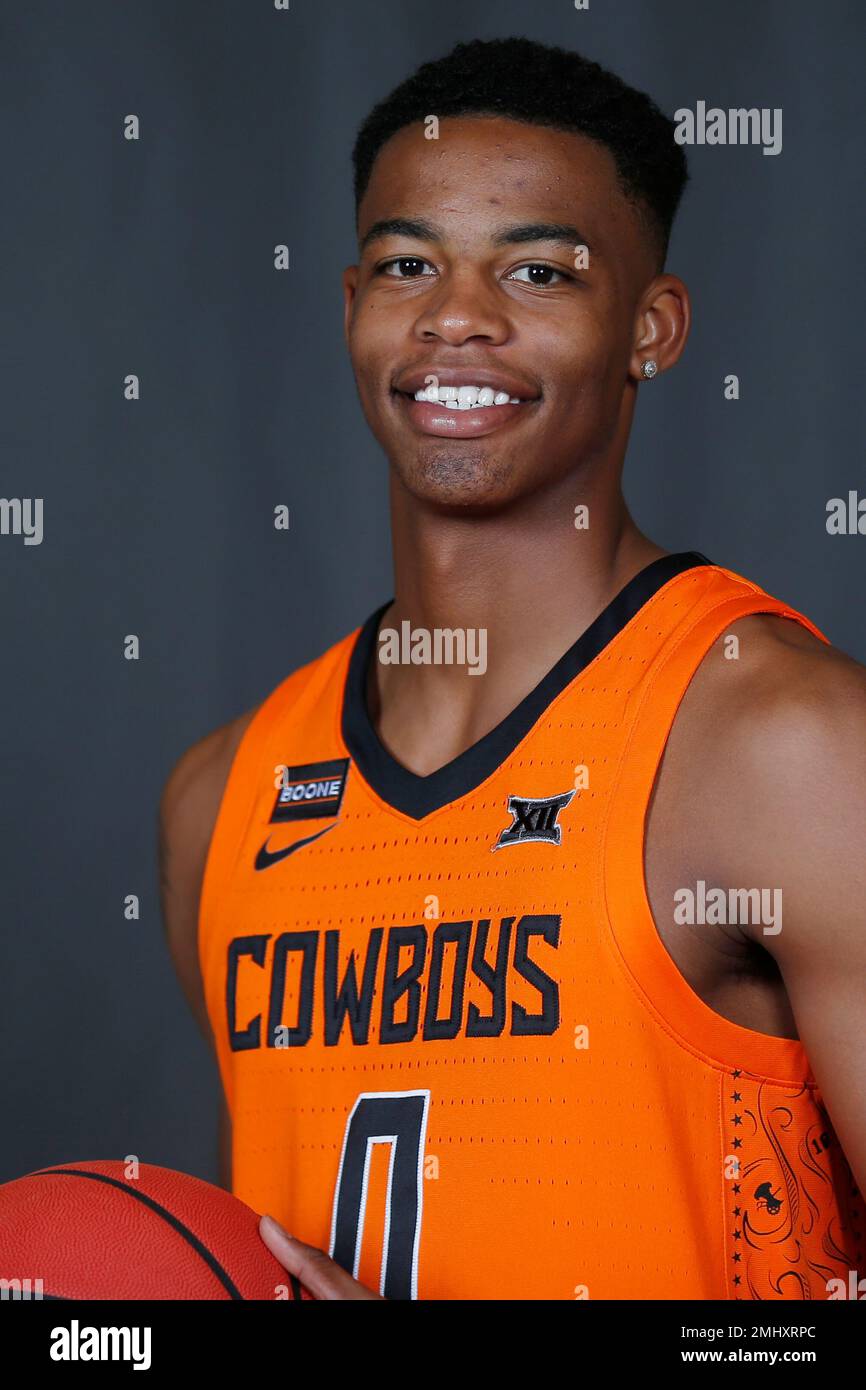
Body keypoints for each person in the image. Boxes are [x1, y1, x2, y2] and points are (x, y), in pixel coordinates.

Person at [159, 38, 866, 1300]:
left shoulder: (789, 746)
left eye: (536, 270)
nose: (455, 317)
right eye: (406, 265)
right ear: (351, 310)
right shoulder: (224, 797)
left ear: (650, 329)